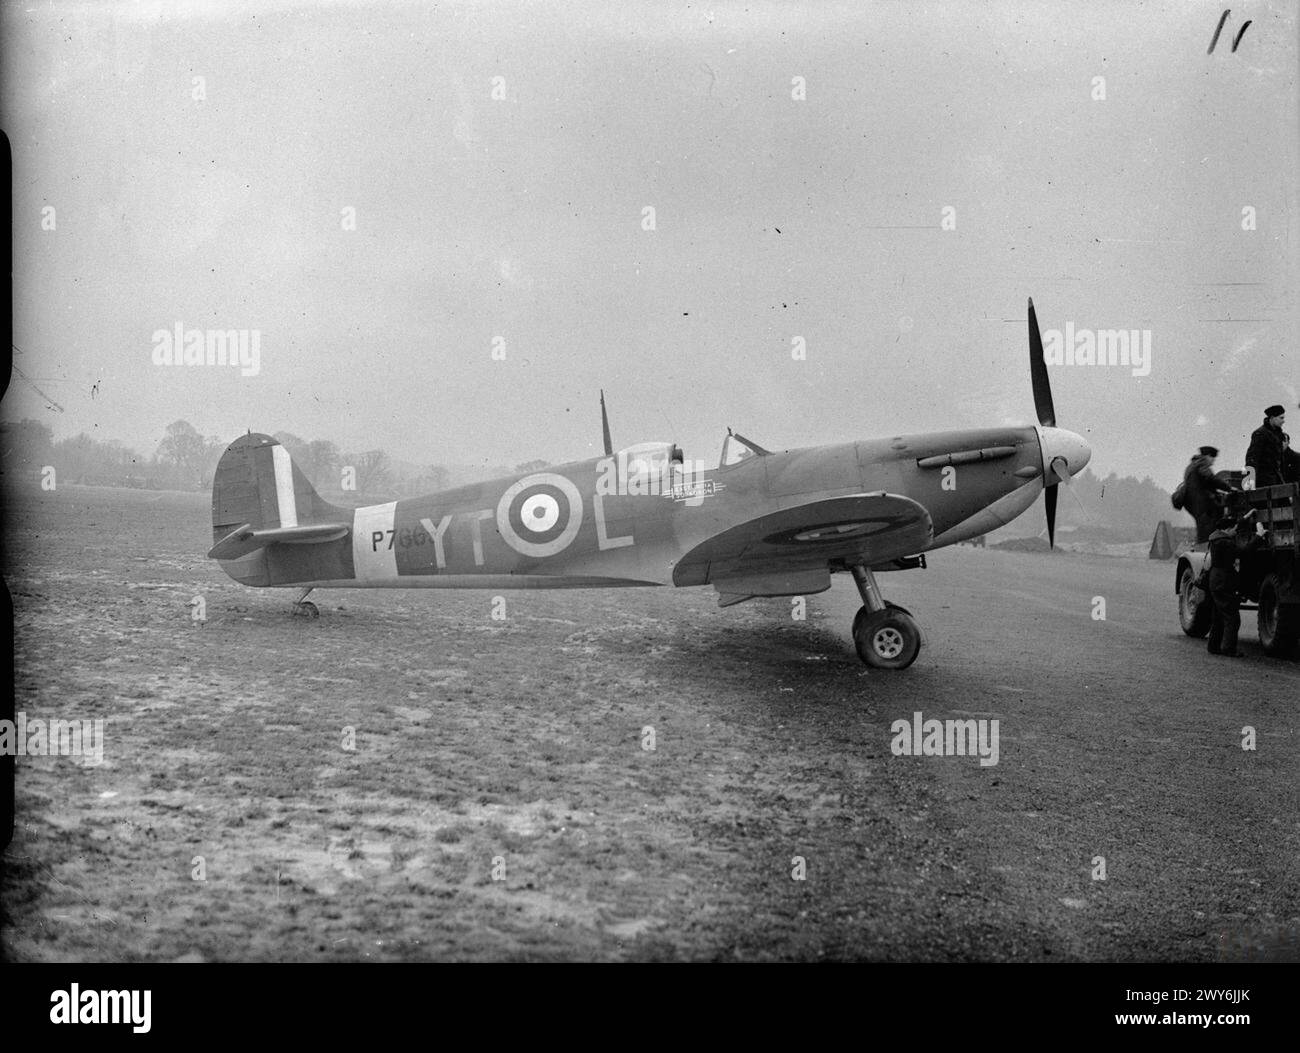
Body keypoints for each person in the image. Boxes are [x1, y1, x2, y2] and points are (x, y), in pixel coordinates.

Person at [1206, 510, 1266, 657]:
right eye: (1234, 529)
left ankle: (1213, 646)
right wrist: (1259, 536)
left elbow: (1234, 525)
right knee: (1232, 618)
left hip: (1215, 581)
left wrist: (1245, 517)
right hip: (1223, 582)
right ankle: (1228, 648)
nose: (1236, 532)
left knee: (1219, 616)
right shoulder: (1225, 543)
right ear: (1227, 529)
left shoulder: (1215, 538)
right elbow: (1244, 552)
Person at [1183, 446, 1236, 542]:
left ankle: (1205, 548)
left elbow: (1202, 484)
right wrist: (1229, 488)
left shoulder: (1191, 466)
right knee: (1210, 530)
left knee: (1203, 531)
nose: (1213, 462)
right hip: (1204, 505)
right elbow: (1211, 479)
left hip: (1194, 505)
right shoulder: (1201, 464)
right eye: (1212, 458)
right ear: (1207, 456)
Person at [1245, 404, 1298, 487]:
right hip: (1264, 482)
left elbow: (1286, 455)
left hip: (1277, 480)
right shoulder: (1260, 433)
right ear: (1272, 418)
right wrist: (1249, 484)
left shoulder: (1278, 435)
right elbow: (1251, 459)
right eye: (1281, 418)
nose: (1283, 421)